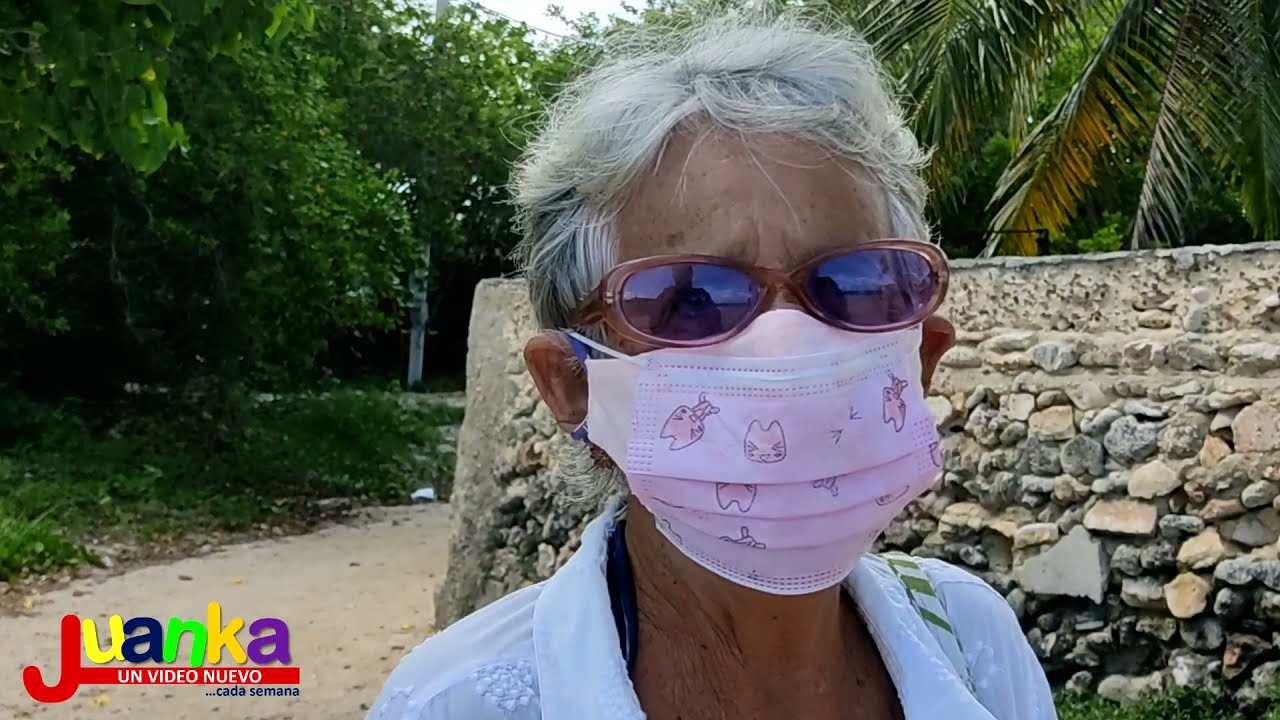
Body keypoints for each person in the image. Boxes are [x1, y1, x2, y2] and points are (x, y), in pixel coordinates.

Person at [368, 9, 1055, 720]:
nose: (786, 343)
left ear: (921, 359)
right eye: (692, 299)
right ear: (571, 382)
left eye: (852, 282)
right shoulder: (458, 703)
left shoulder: (975, 641)